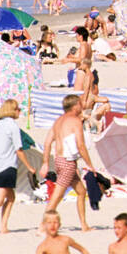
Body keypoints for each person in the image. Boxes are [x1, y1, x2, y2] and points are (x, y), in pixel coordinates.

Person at [0, 99, 39, 234]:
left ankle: (3, 227)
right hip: (7, 166)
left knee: (11, 198)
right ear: (12, 110)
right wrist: (29, 167)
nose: (19, 111)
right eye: (18, 109)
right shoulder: (12, 126)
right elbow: (19, 149)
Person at [39, 94, 96, 232]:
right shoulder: (75, 121)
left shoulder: (58, 121)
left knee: (81, 191)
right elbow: (81, 145)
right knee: (56, 197)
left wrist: (45, 163)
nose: (82, 106)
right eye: (80, 104)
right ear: (75, 106)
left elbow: (47, 143)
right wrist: (90, 165)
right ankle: (42, 227)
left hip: (59, 160)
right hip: (67, 162)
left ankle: (84, 225)